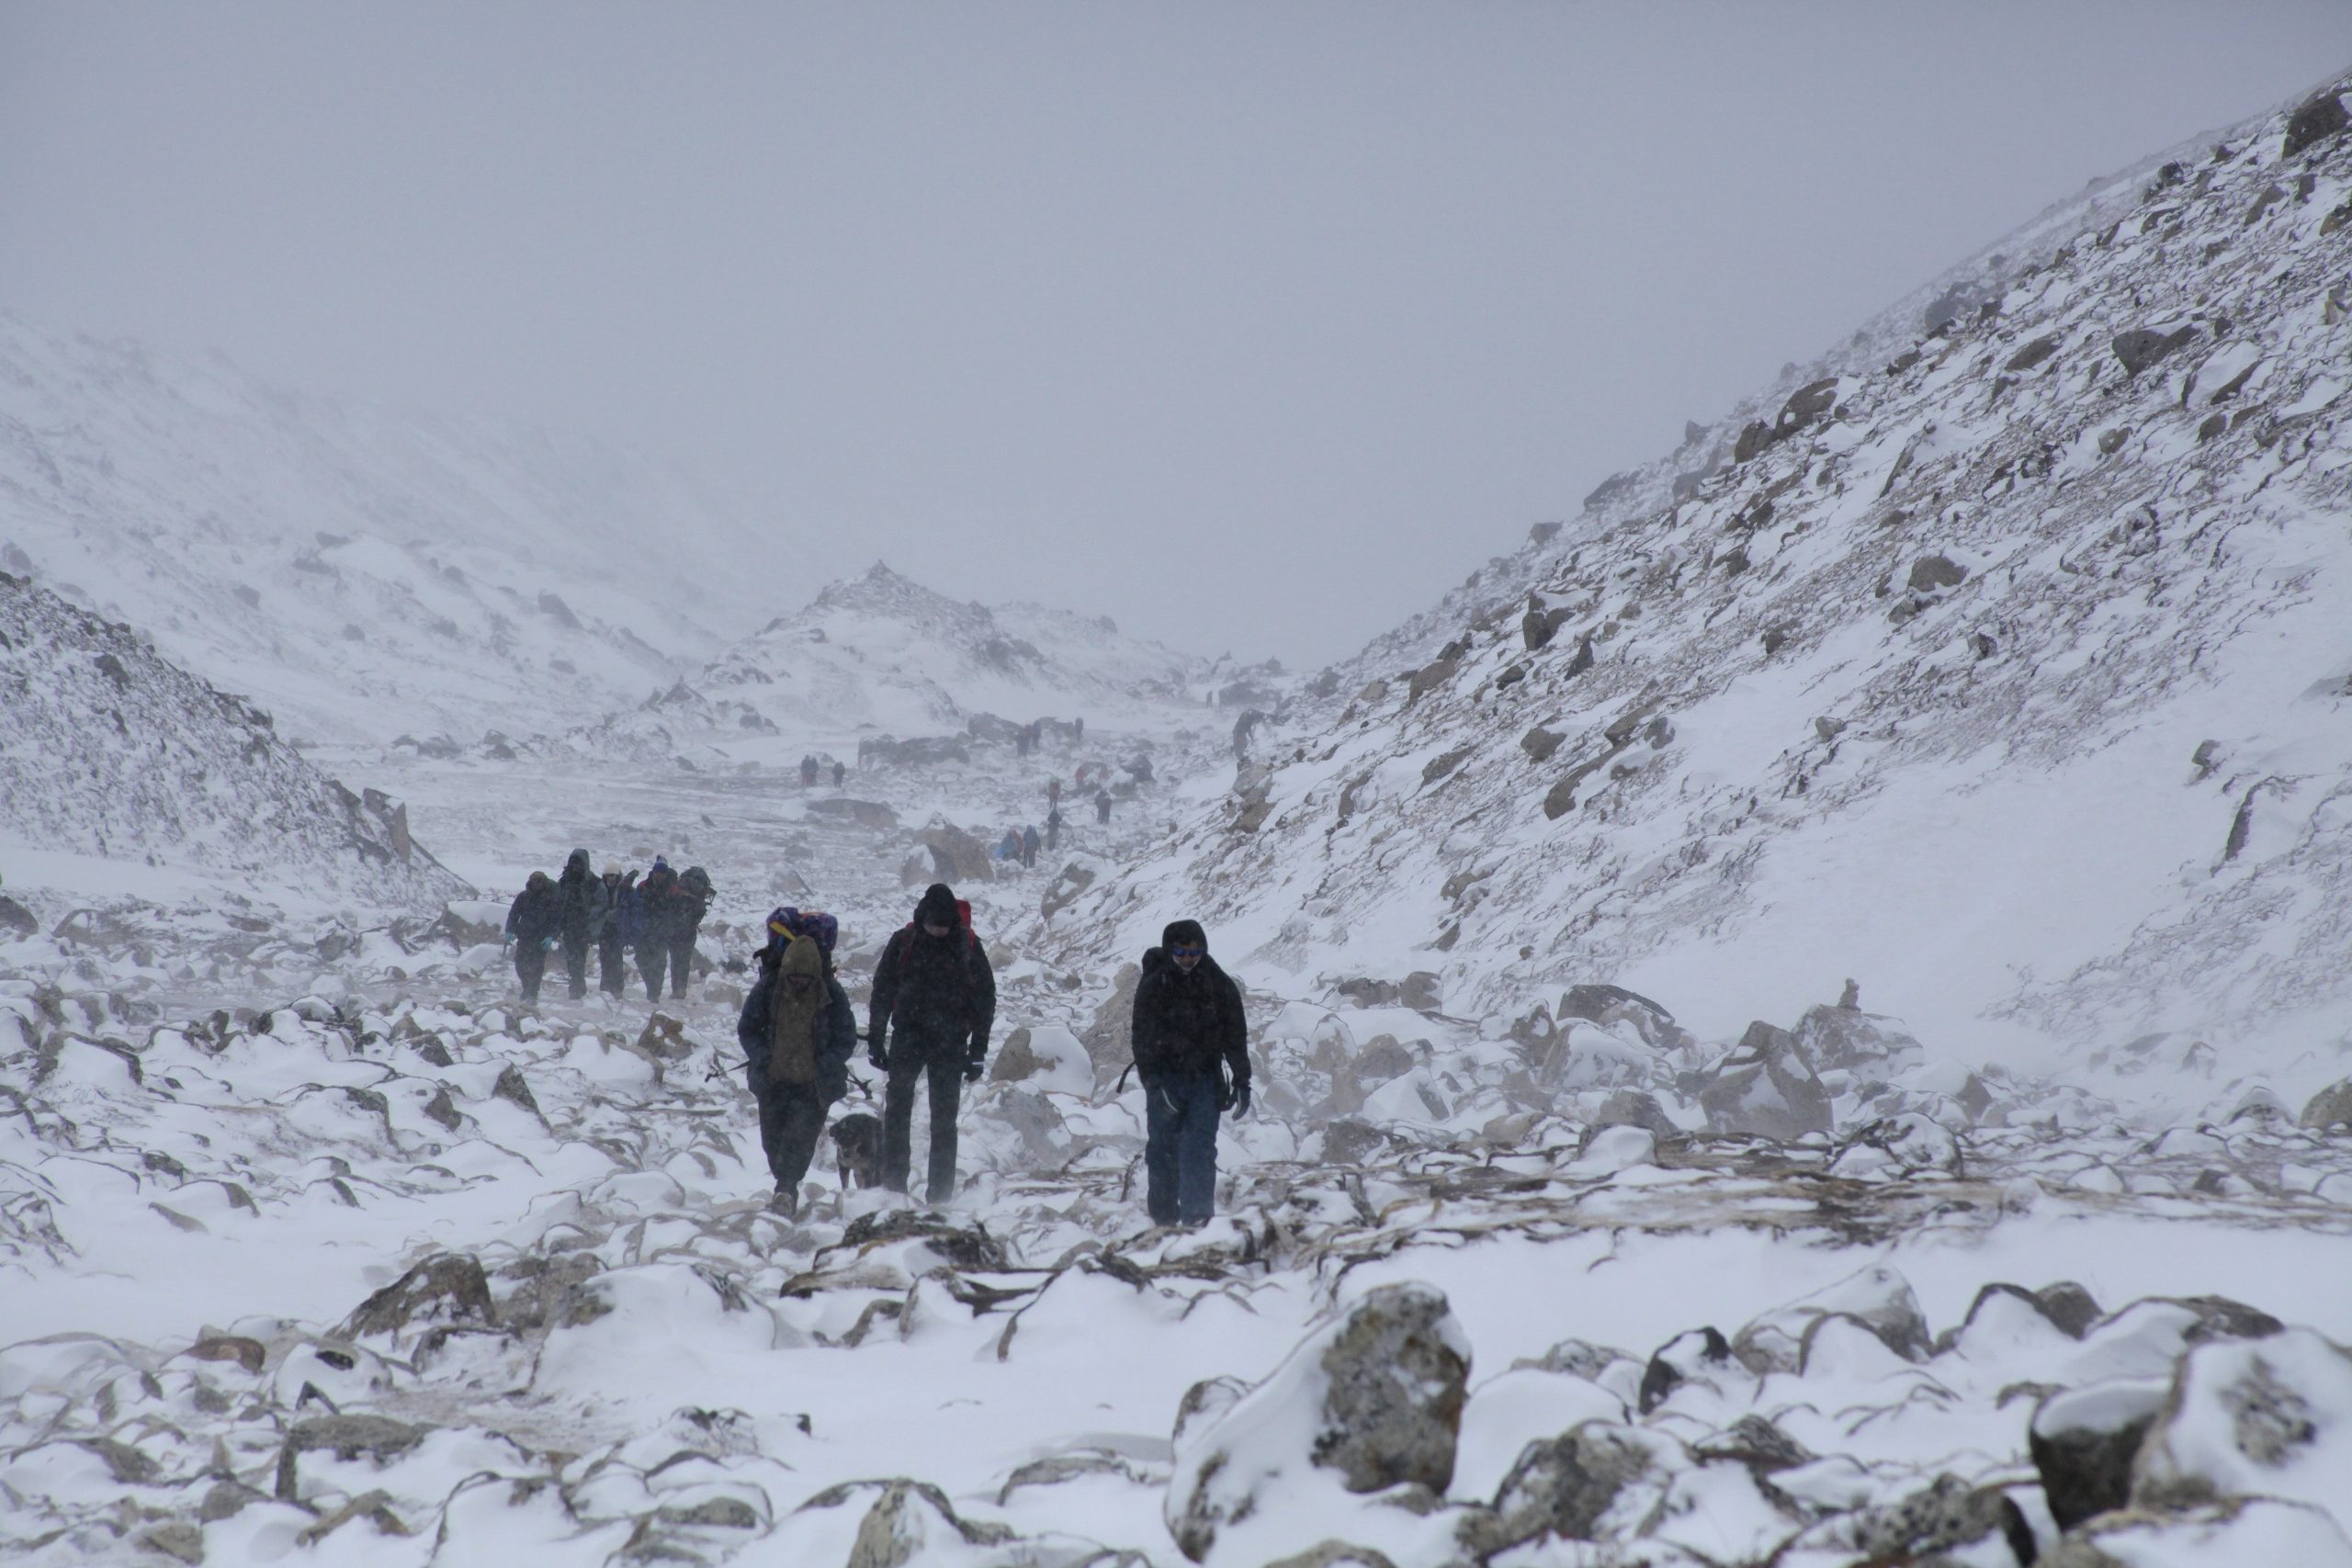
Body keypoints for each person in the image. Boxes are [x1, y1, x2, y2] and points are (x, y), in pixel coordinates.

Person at [868, 884, 996, 1204]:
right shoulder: (904, 942)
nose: (939, 932)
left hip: (950, 1043)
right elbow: (882, 990)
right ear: (922, 918)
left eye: (944, 926)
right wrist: (875, 1038)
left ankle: (939, 1196)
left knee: (944, 1120)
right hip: (907, 1037)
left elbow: (985, 1000)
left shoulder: (967, 945)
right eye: (933, 926)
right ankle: (894, 1185)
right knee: (897, 1111)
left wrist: (978, 1052)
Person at [1129, 919, 1250, 1227]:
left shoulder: (1217, 983)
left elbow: (1235, 1033)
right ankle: (1164, 1219)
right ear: (1170, 949)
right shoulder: (1155, 984)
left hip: (1205, 1079)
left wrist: (1241, 1079)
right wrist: (1153, 1082)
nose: (1187, 958)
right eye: (1180, 951)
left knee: (1199, 1148)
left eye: (1194, 951)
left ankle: (1198, 1219)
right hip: (1166, 1079)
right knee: (1163, 1148)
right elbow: (1142, 1037)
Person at [736, 915, 855, 1214]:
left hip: (813, 1085)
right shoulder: (767, 990)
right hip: (772, 1080)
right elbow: (748, 1028)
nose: (799, 982)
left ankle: (786, 1190)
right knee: (772, 1143)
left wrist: (826, 1063)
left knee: (799, 1140)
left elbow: (846, 1037)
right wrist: (763, 1057)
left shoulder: (831, 994)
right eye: (793, 977)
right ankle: (784, 1183)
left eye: (805, 978)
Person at [553, 849, 605, 1000]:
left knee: (578, 958)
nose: (575, 867)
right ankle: (577, 986)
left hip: (584, 927)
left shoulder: (594, 883)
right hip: (568, 926)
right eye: (573, 863)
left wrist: (588, 913)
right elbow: (557, 902)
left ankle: (577, 988)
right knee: (571, 958)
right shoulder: (564, 881)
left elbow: (602, 904)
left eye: (578, 863)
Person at [503, 871, 560, 1004]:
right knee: (520, 964)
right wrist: (510, 929)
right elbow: (514, 914)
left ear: (544, 882)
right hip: (525, 937)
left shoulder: (550, 899)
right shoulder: (523, 897)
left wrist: (551, 935)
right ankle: (526, 988)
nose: (537, 884)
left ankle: (532, 992)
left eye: (539, 881)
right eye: (535, 881)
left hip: (541, 939)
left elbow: (556, 920)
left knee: (537, 967)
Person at [636, 858, 680, 1000]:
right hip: (644, 932)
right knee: (642, 960)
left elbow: (675, 911)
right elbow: (635, 906)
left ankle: (655, 991)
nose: (659, 875)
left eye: (662, 872)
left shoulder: (672, 890)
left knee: (659, 964)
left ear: (665, 874)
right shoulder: (643, 886)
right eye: (657, 872)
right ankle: (651, 986)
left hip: (661, 933)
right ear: (653, 872)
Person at [595, 863, 634, 997]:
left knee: (616, 958)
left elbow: (628, 908)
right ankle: (606, 986)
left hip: (617, 930)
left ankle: (617, 987)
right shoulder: (600, 889)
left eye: (613, 876)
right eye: (608, 876)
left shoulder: (624, 890)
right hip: (604, 930)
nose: (610, 878)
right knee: (605, 958)